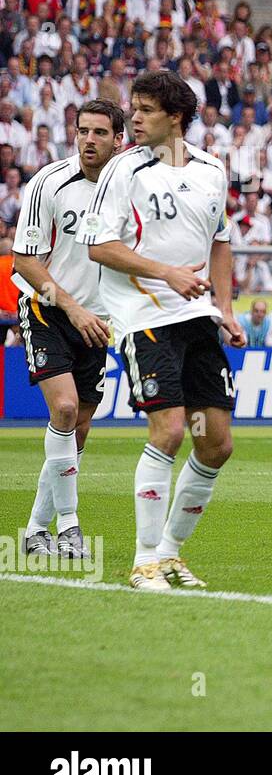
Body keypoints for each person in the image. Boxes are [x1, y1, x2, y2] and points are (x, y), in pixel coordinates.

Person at [78, 71, 247, 591]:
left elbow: (220, 241)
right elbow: (99, 246)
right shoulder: (123, 169)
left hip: (198, 320)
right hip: (144, 318)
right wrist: (167, 272)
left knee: (216, 444)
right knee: (170, 431)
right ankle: (143, 561)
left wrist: (227, 307)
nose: (134, 117)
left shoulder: (212, 171)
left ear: (175, 117)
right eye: (133, 107)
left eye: (145, 109)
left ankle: (171, 554)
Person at [11, 100, 123, 558]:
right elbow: (24, 260)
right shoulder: (48, 182)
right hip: (48, 309)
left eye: (100, 133)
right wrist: (73, 308)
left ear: (119, 139)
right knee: (63, 409)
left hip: (97, 322)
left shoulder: (128, 189)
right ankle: (71, 525)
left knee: (76, 430)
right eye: (83, 131)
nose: (89, 140)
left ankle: (38, 529)